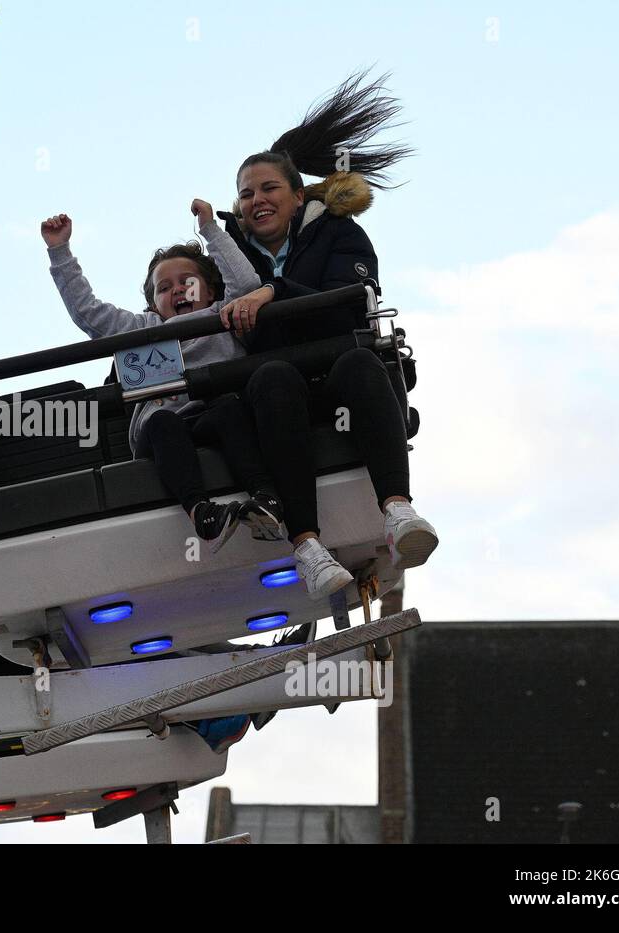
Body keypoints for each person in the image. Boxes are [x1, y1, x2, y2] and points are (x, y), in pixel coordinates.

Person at [213, 72, 437, 597]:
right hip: (272, 387)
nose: (256, 201)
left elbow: (347, 301)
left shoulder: (340, 233)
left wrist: (271, 293)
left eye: (269, 189)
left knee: (361, 365)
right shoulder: (225, 253)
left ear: (297, 195)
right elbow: (199, 306)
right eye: (246, 194)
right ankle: (308, 547)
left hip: (338, 370)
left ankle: (397, 510)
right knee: (272, 377)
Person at [41, 202, 283, 547]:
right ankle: (201, 511)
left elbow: (246, 283)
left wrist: (209, 228)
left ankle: (265, 498)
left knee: (231, 407)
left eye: (189, 282)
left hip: (215, 414)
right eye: (165, 288)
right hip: (165, 428)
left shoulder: (223, 314)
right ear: (154, 304)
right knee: (160, 422)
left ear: (212, 291)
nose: (178, 291)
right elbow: (89, 314)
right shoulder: (145, 328)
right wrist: (60, 251)